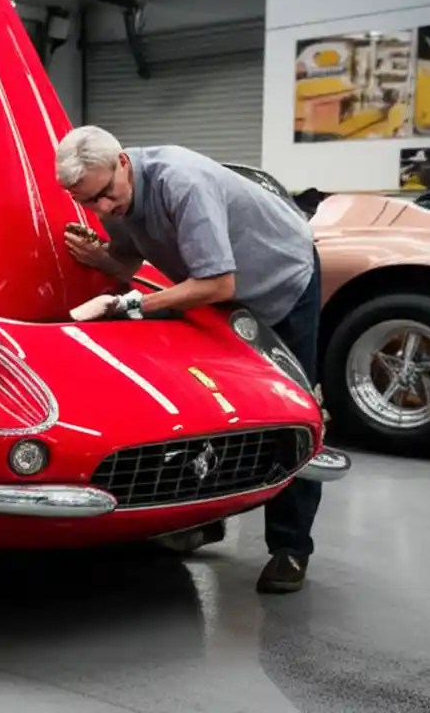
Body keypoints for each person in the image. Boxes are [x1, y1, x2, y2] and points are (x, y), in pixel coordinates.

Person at [54, 125, 323, 594]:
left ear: (122, 162)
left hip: (281, 283)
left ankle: (290, 547)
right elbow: (128, 265)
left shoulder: (183, 181)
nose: (102, 209)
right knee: (208, 406)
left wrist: (131, 305)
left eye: (105, 196)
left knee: (291, 412)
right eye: (89, 203)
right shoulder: (113, 193)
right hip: (215, 294)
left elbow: (219, 283)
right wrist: (101, 262)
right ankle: (202, 518)